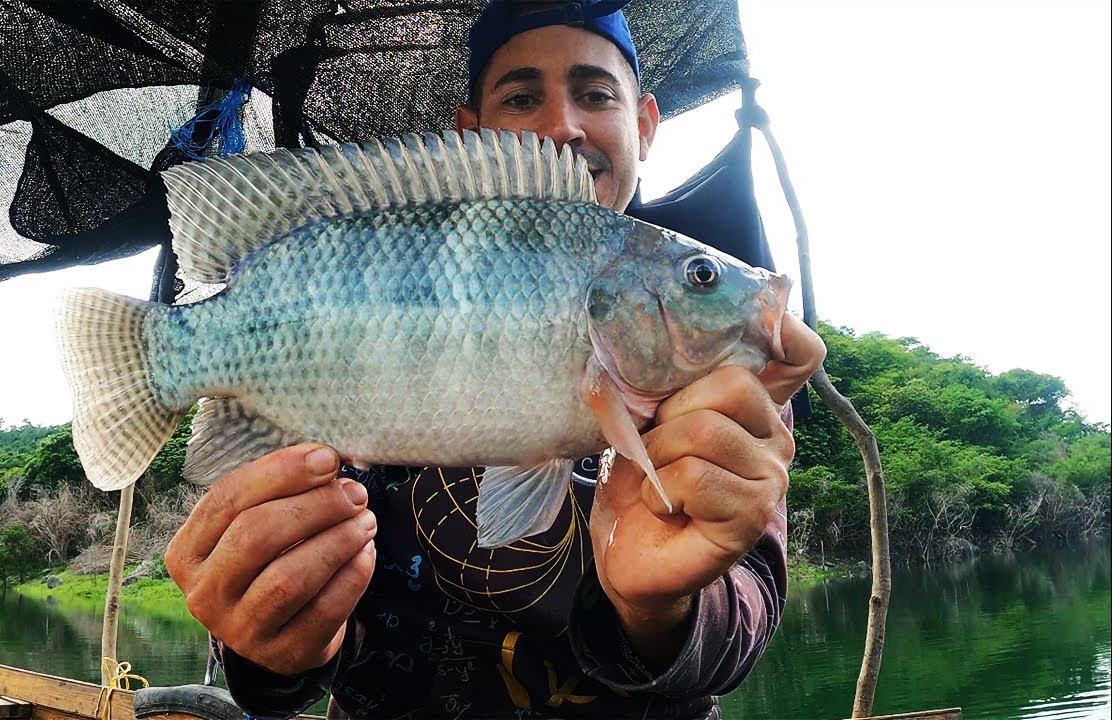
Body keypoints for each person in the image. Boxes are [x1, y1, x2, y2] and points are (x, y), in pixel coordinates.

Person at [165, 2, 827, 718]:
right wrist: (270, 647)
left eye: (595, 93)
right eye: (521, 97)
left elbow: (748, 613)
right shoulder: (326, 346)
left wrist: (660, 609)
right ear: (471, 137)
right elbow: (280, 646)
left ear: (643, 125)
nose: (562, 126)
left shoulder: (714, 368)